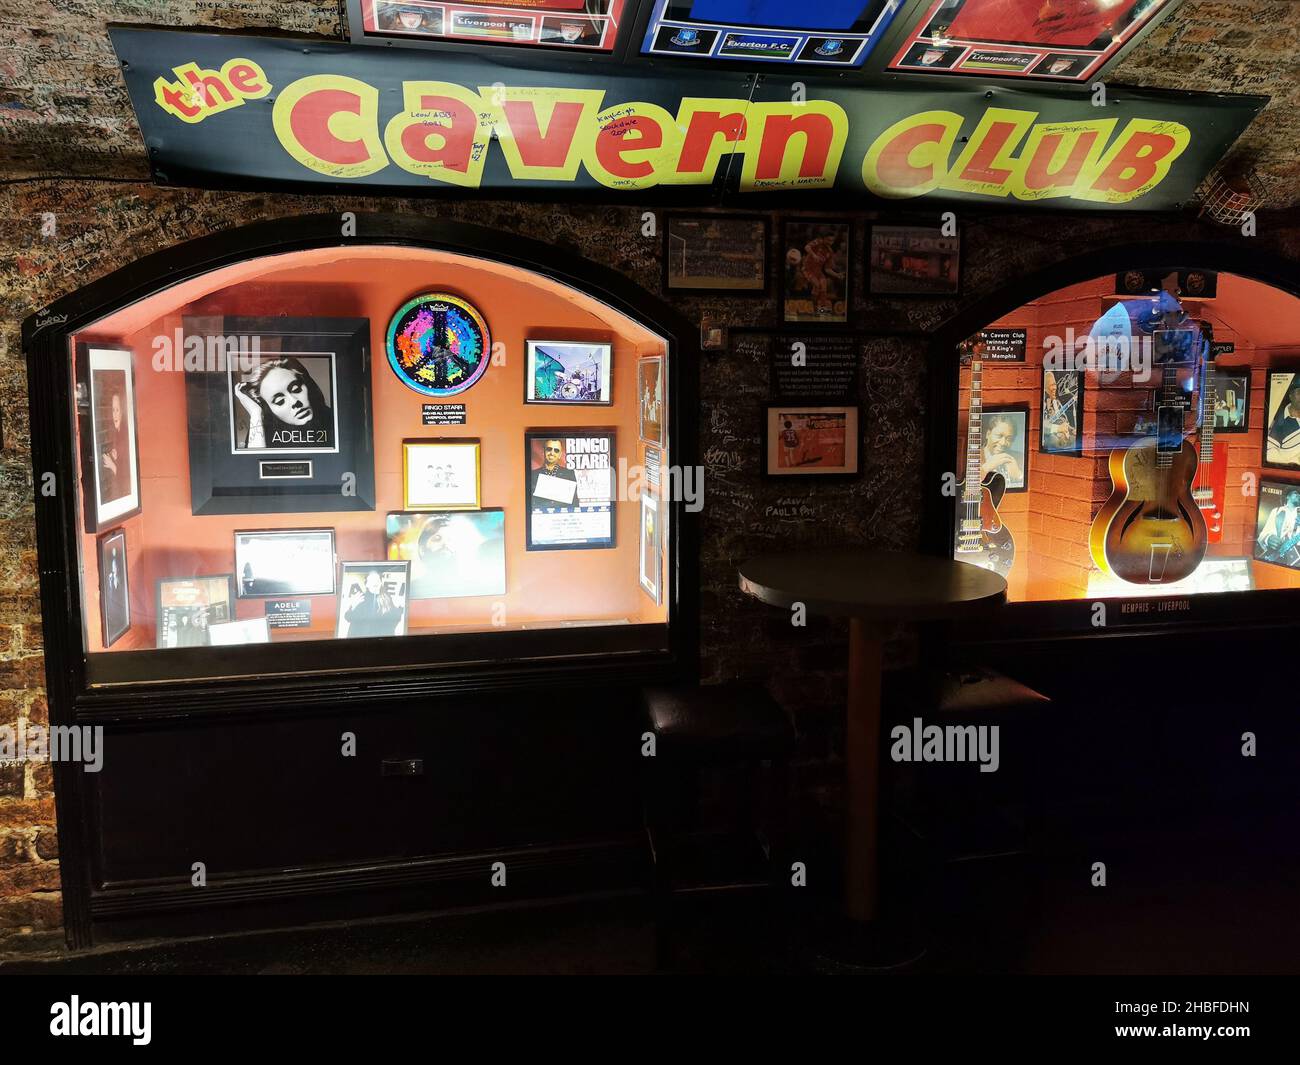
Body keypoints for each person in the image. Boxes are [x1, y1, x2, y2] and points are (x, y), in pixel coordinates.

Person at [233, 357, 334, 450]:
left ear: (307, 384)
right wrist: (256, 413)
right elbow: (253, 464)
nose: (294, 402)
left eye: (296, 389)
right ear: (268, 408)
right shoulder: (265, 430)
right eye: (280, 401)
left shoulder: (332, 419)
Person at [341, 570, 405, 638]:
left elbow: (394, 620)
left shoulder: (387, 598)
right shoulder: (361, 598)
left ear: (381, 583)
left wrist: (400, 608)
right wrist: (351, 607)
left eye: (377, 580)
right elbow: (349, 617)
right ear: (366, 584)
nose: (375, 582)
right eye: (372, 580)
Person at [97, 385, 129, 505]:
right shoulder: (118, 432)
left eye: (117, 410)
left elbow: (127, 479)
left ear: (123, 412)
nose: (114, 414)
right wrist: (117, 456)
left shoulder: (125, 434)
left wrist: (111, 465)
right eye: (113, 410)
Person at [530, 438, 578, 508]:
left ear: (559, 455)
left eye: (556, 450)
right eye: (549, 449)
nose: (552, 453)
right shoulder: (533, 475)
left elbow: (574, 503)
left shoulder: (569, 474)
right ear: (543, 452)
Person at [982, 416, 1023, 486]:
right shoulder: (972, 456)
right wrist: (985, 469)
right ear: (988, 434)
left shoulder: (1020, 457)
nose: (1003, 442)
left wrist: (1019, 475)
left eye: (1009, 439)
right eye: (999, 436)